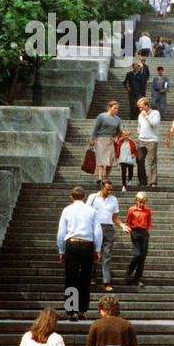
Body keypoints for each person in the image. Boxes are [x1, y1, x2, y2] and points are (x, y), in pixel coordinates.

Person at [57, 186, 102, 320]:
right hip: (87, 244)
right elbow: (98, 231)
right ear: (85, 197)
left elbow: (61, 232)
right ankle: (82, 309)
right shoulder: (92, 210)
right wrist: (97, 249)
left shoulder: (67, 210)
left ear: (71, 197)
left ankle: (71, 311)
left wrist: (61, 250)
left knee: (71, 277)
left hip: (72, 243)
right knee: (85, 277)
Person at [90, 180, 128, 291]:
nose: (110, 191)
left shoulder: (114, 199)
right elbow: (86, 212)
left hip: (108, 228)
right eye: (108, 189)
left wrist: (122, 225)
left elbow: (115, 217)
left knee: (107, 255)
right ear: (101, 188)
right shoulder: (93, 198)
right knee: (94, 253)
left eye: (111, 189)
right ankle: (92, 277)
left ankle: (106, 281)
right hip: (95, 227)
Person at [91, 101, 123, 183]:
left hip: (111, 140)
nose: (116, 110)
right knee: (101, 158)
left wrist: (117, 137)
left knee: (110, 160)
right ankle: (100, 177)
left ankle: (106, 177)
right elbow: (96, 128)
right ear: (109, 108)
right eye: (114, 108)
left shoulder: (117, 119)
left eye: (117, 109)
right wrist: (93, 138)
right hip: (101, 139)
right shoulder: (102, 116)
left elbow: (120, 130)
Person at [125, 192, 152, 287]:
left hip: (144, 232)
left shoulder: (147, 210)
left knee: (142, 258)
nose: (142, 204)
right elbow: (128, 221)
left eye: (144, 202)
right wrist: (128, 228)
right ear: (136, 200)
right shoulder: (132, 210)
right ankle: (129, 271)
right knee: (137, 254)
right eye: (140, 202)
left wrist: (148, 232)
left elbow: (149, 222)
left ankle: (137, 279)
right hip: (135, 231)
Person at [136, 97, 161, 189]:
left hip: (151, 140)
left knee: (151, 161)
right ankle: (142, 181)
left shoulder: (155, 113)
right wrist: (138, 136)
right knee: (140, 160)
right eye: (139, 107)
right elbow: (139, 127)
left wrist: (146, 116)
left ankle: (152, 181)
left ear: (147, 105)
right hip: (141, 140)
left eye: (142, 107)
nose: (140, 109)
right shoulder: (140, 115)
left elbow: (154, 124)